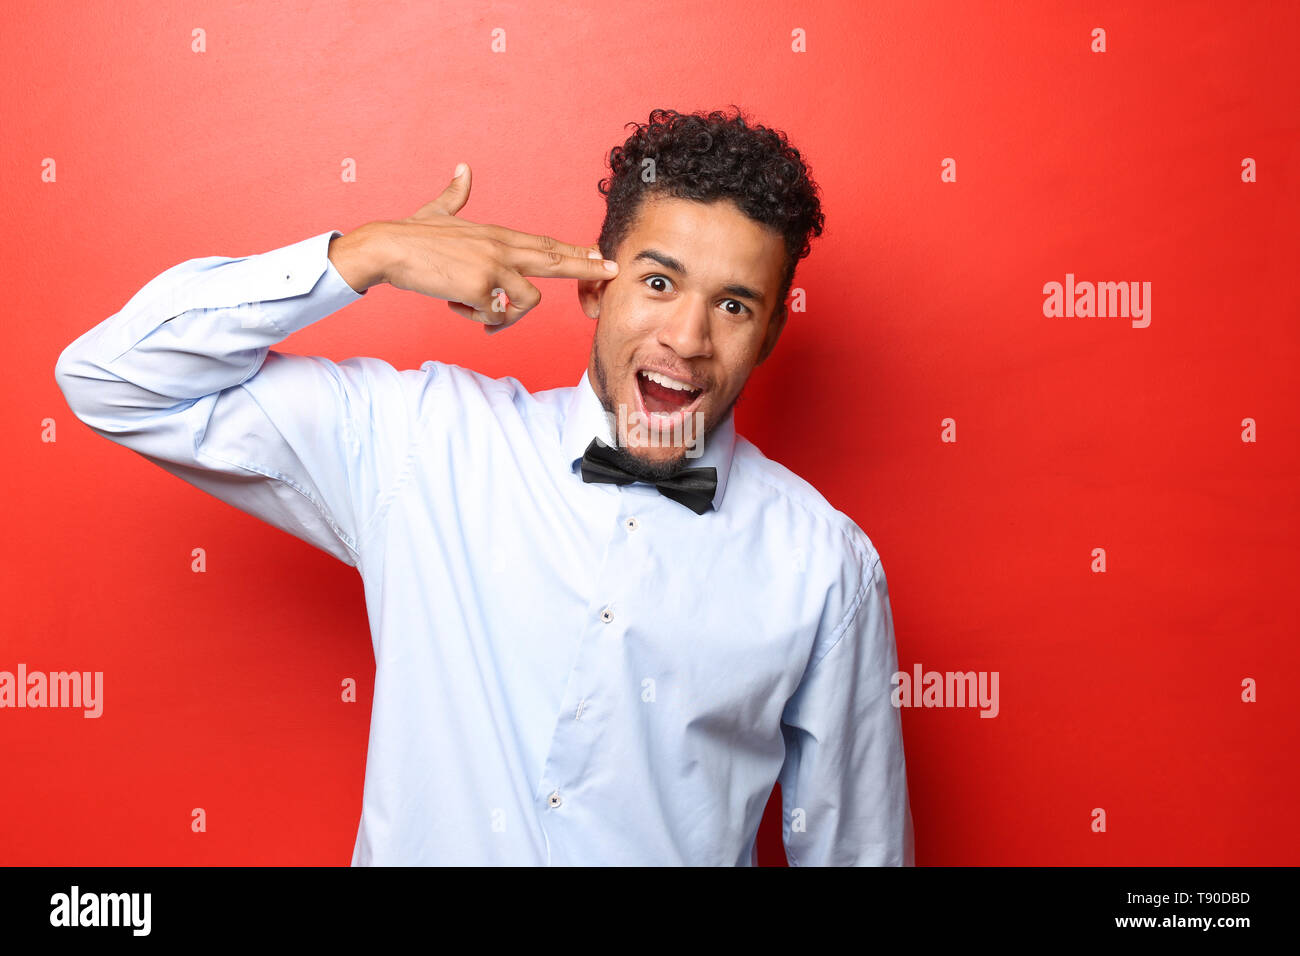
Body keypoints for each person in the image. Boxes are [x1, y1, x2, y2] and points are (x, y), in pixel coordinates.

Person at [54, 106, 914, 866]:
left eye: (733, 305)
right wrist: (368, 253)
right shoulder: (422, 441)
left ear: (769, 335)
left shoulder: (825, 567)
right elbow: (111, 378)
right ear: (592, 287)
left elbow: (858, 850)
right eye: (658, 282)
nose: (687, 338)